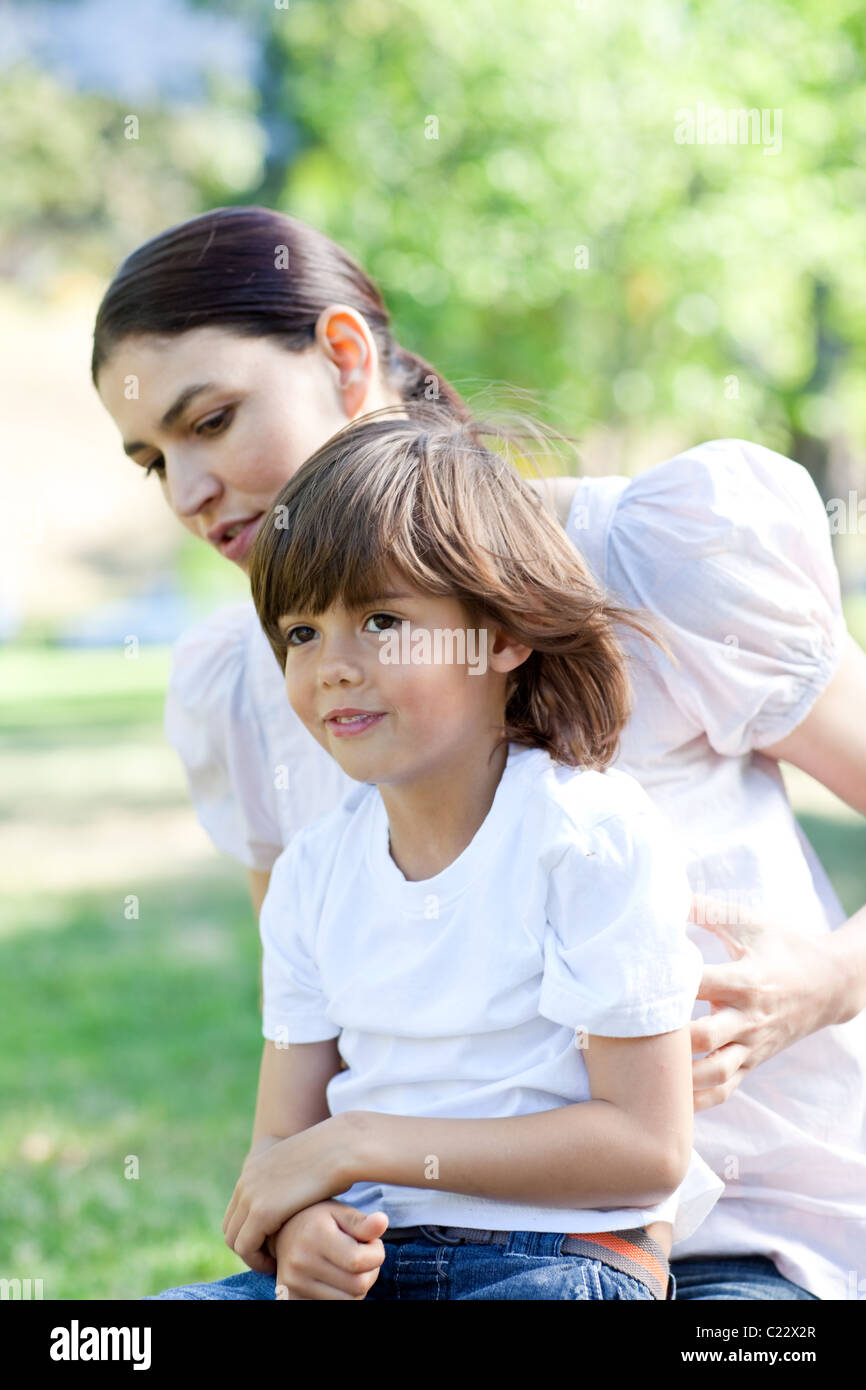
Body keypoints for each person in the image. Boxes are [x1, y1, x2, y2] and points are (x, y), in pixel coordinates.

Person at [93, 206, 866, 1300]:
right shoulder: (256, 687)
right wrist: (308, 1215)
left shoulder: (652, 555)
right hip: (424, 1239)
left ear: (345, 356)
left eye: (211, 420)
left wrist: (824, 981)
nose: (187, 492)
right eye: (149, 462)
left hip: (746, 1233)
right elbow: (318, 1076)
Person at [146, 411, 727, 1300]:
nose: (332, 665)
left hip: (560, 1263)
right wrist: (302, 1231)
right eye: (301, 633)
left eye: (380, 619)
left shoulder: (586, 836)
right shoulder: (311, 873)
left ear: (500, 636)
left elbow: (646, 1151)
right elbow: (280, 1145)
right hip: (380, 1268)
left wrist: (362, 1143)